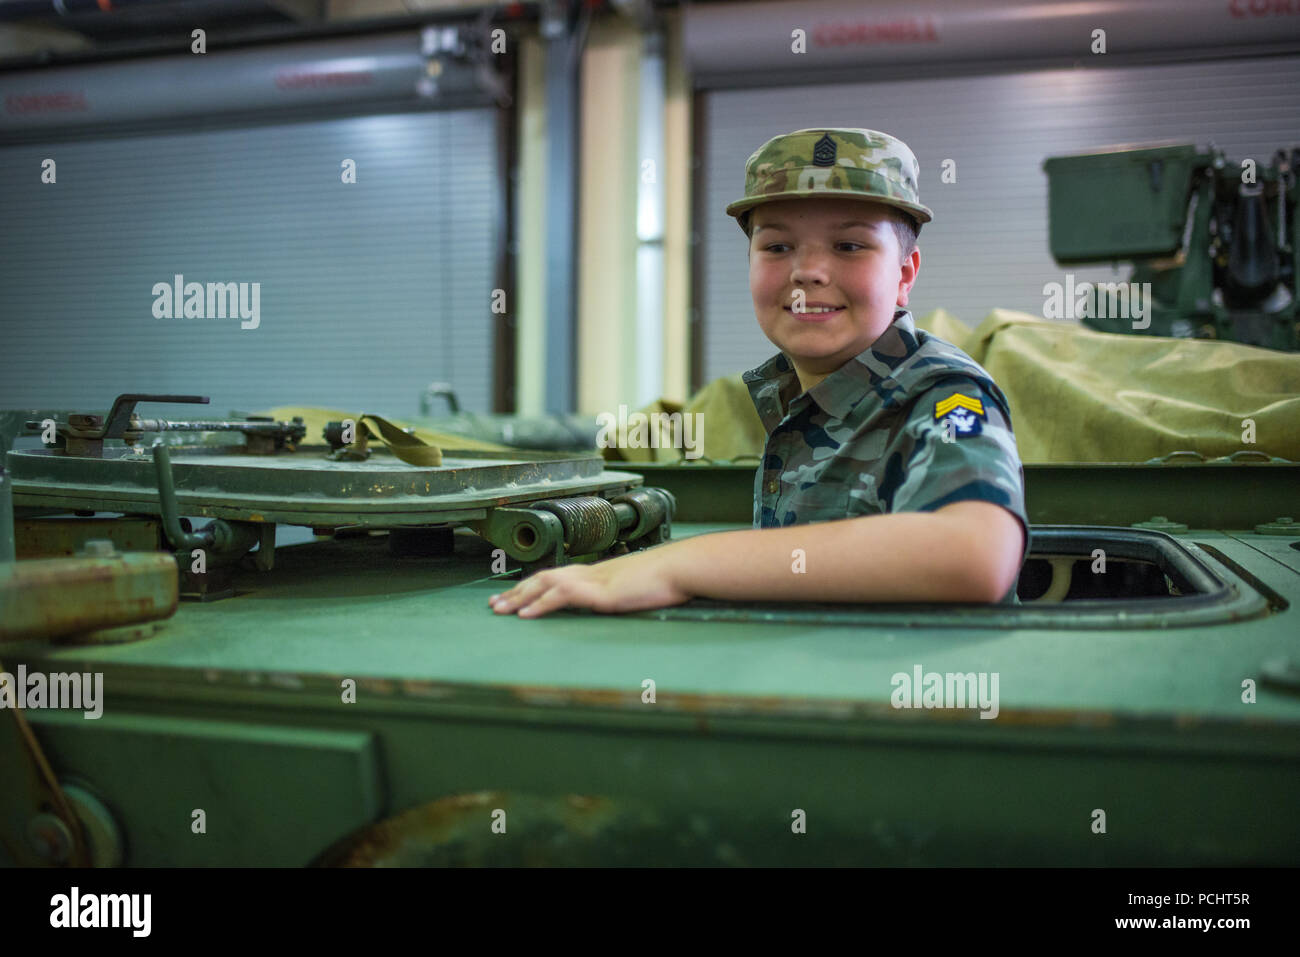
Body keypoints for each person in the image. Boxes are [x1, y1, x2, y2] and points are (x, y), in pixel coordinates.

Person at [490, 127, 1028, 618]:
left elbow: (976, 554)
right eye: (777, 246)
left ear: (905, 273)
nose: (808, 271)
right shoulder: (795, 396)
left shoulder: (941, 393)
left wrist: (678, 564)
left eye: (849, 245)